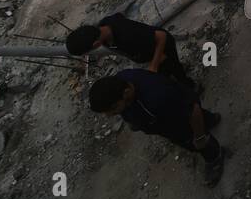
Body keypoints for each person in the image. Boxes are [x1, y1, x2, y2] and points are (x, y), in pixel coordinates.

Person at [88, 70, 224, 186]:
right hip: (167, 114)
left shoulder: (158, 97)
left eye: (113, 109)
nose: (109, 115)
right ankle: (210, 119)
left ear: (127, 92)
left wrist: (199, 137)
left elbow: (193, 108)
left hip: (177, 123)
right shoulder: (121, 80)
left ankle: (214, 157)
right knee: (198, 119)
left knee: (194, 140)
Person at [66, 13, 197, 90]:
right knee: (165, 72)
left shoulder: (127, 34)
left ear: (96, 44)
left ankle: (190, 86)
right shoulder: (104, 26)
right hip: (148, 51)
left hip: (163, 47)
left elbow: (162, 37)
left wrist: (154, 65)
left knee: (174, 69)